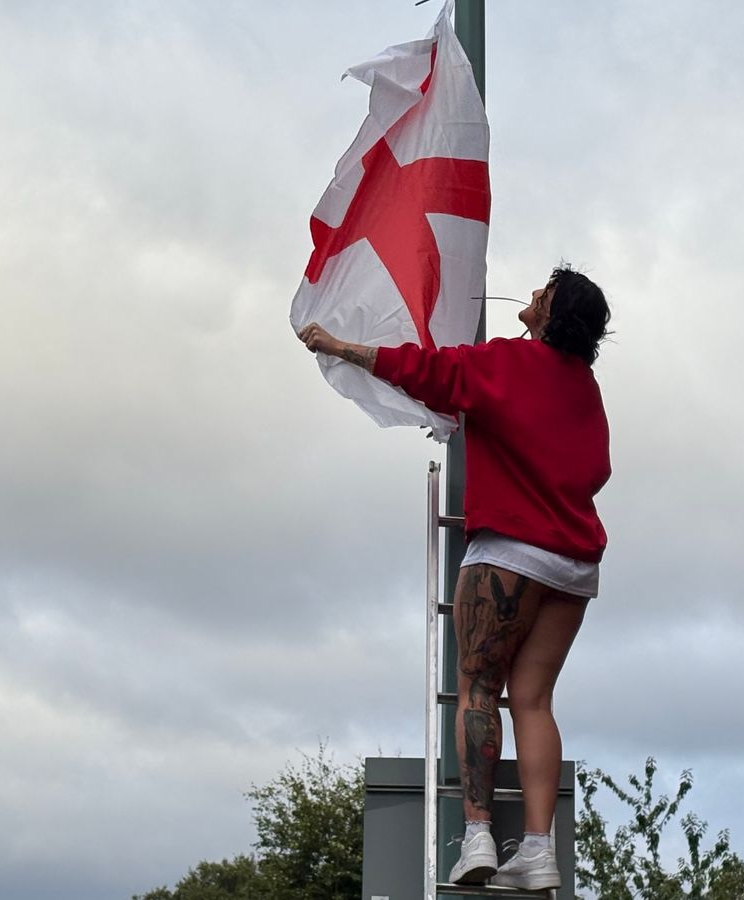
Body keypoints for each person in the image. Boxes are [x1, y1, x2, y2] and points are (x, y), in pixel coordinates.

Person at [297, 265, 611, 891]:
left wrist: (339, 346)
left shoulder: (509, 361)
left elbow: (429, 371)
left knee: (477, 690)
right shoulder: (586, 387)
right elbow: (598, 468)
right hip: (574, 566)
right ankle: (539, 850)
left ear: (553, 313)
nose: (534, 294)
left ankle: (476, 838)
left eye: (545, 292)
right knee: (533, 700)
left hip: (508, 554)